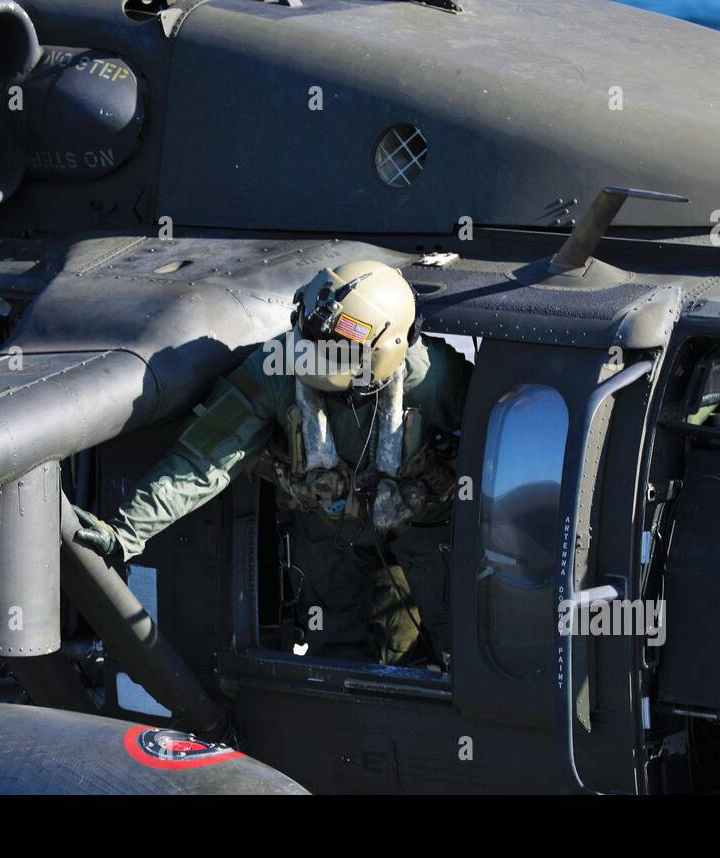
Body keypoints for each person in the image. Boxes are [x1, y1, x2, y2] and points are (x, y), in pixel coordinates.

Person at [73, 260, 472, 667]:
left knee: (452, 640)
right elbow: (204, 461)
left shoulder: (435, 380)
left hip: (424, 528)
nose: (319, 361)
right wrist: (125, 530)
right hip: (328, 536)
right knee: (332, 651)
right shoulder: (277, 369)